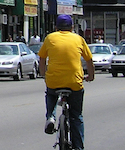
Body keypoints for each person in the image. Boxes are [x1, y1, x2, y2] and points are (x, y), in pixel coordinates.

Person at [38, 14, 93, 150]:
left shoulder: (50, 38)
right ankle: (79, 147)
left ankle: (51, 117)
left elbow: (42, 59)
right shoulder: (78, 39)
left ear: (56, 27)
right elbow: (89, 60)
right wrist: (91, 76)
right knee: (76, 116)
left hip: (54, 81)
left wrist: (43, 74)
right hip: (74, 82)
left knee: (51, 94)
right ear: (72, 27)